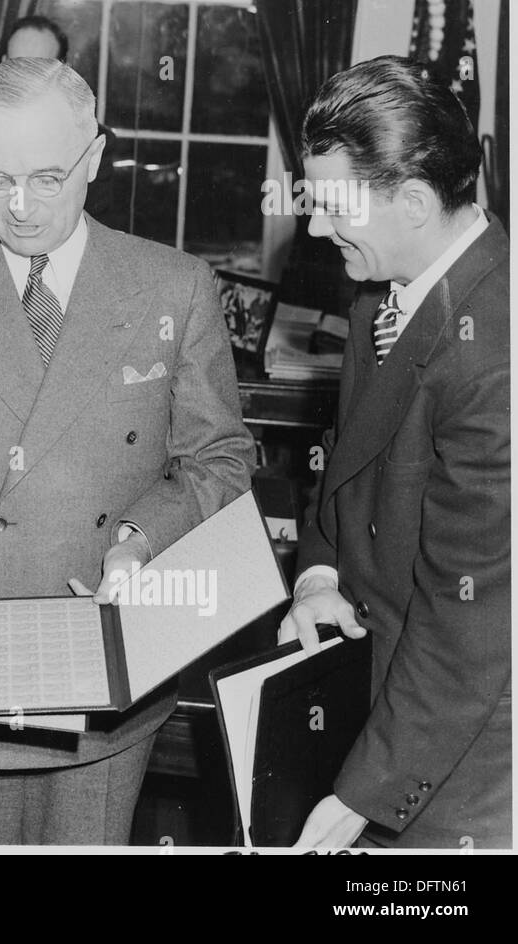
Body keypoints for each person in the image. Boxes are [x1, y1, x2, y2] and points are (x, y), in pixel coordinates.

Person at [0, 57, 254, 845]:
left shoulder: (176, 287)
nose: (21, 207)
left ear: (95, 158)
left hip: (105, 667)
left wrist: (140, 542)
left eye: (47, 178)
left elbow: (219, 462)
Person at [279, 56, 510, 850]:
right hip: (379, 703)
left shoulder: (496, 352)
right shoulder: (383, 289)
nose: (313, 229)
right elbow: (342, 461)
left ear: (413, 202)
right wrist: (315, 577)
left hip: (461, 763)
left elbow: (470, 620)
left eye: (332, 207)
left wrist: (362, 796)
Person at [0, 14, 127, 242]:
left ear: (63, 69)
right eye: (15, 65)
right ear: (2, 62)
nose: (22, 79)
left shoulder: (91, 140)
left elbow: (95, 232)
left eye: (37, 67)